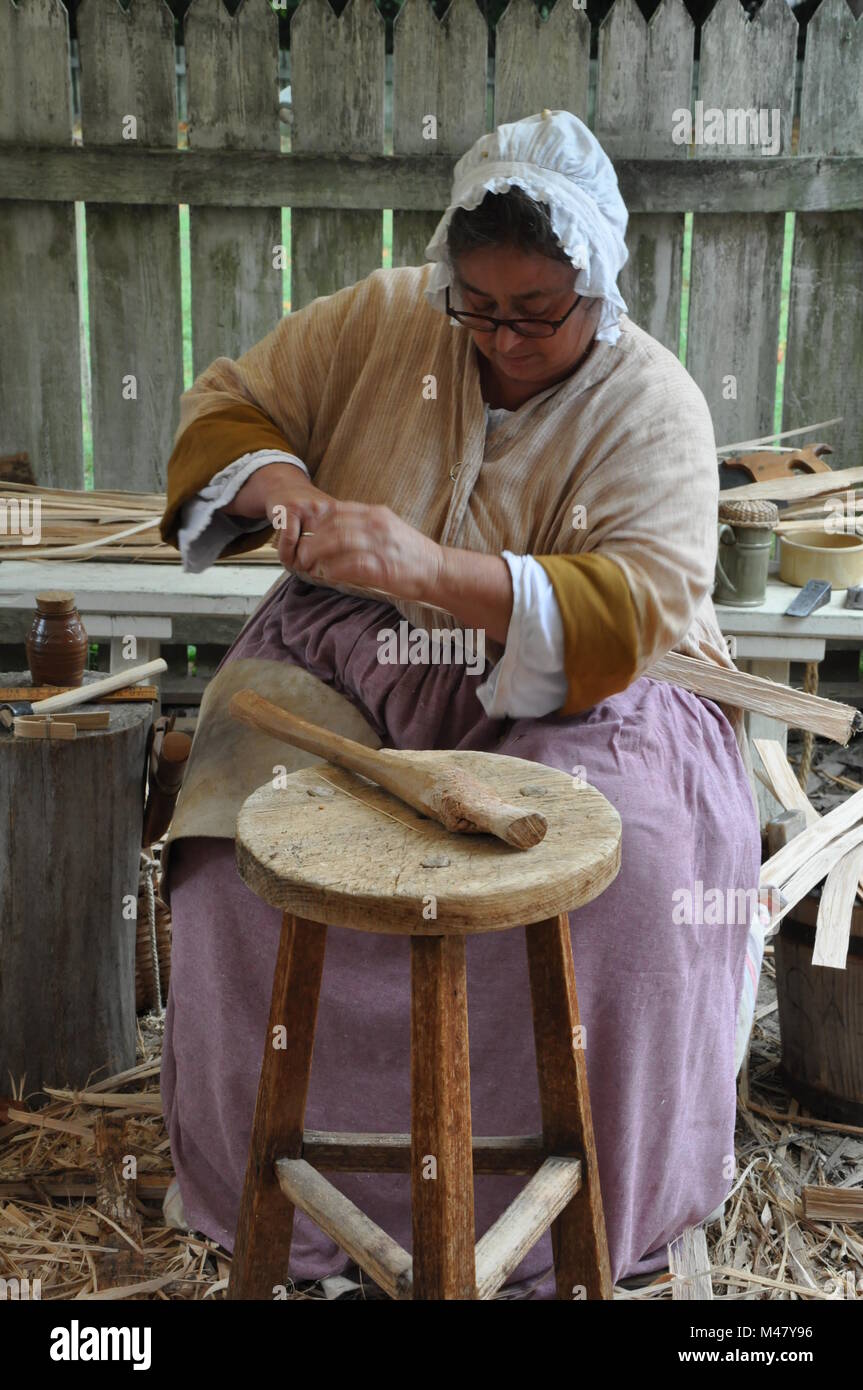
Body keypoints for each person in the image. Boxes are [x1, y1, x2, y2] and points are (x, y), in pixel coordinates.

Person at [157, 108, 762, 1297]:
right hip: (340, 652)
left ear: (598, 286)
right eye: (477, 308)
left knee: (627, 875)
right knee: (238, 847)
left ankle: (556, 1214)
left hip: (588, 688)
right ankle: (294, 1207)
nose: (505, 337)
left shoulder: (656, 409)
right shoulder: (382, 316)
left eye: (538, 312)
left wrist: (421, 567)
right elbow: (229, 408)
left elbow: (630, 612)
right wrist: (293, 503)